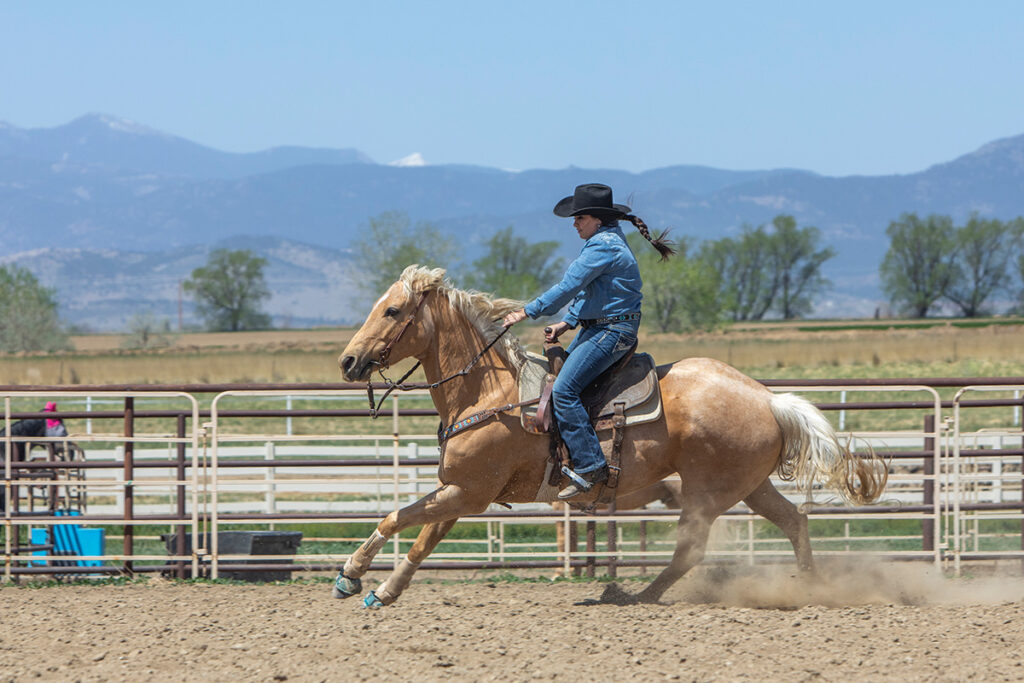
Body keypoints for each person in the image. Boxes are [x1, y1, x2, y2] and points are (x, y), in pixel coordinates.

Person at [502, 183, 674, 499]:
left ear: (596, 219)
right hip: (601, 328)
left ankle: (591, 466)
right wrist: (568, 322)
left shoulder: (603, 246)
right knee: (566, 382)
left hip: (611, 332)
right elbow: (590, 290)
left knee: (565, 391)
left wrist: (526, 312)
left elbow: (569, 286)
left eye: (579, 217)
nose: (575, 223)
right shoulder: (605, 241)